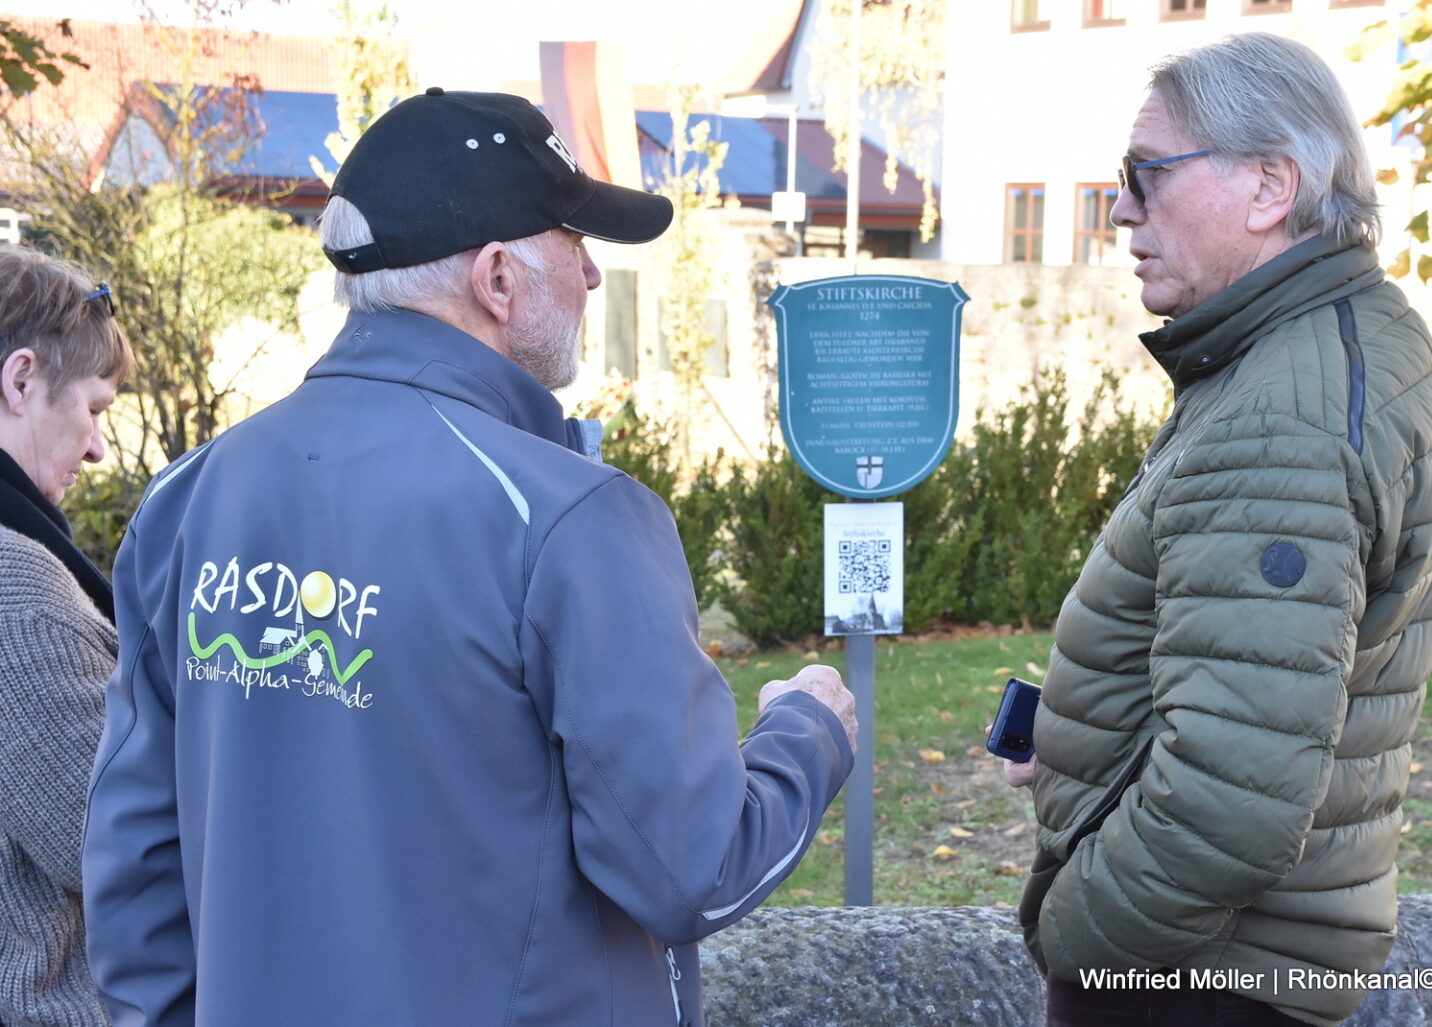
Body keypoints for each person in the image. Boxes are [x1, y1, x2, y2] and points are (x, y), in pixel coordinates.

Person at [82, 89, 857, 1027]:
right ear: (497, 279)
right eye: (576, 244)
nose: (593, 276)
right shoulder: (570, 519)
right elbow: (694, 866)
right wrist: (810, 731)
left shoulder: (188, 498)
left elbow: (134, 869)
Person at [1007, 33, 1432, 1027]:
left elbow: (1232, 804)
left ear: (1268, 187)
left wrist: (1076, 936)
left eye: (1149, 174)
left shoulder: (1282, 416)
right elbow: (1255, 684)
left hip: (1196, 980)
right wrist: (1088, 743)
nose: (1123, 209)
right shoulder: (1340, 338)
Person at [0, 245, 132, 1027]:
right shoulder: (17, 590)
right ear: (21, 381)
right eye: (95, 408)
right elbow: (115, 842)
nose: (97, 447)